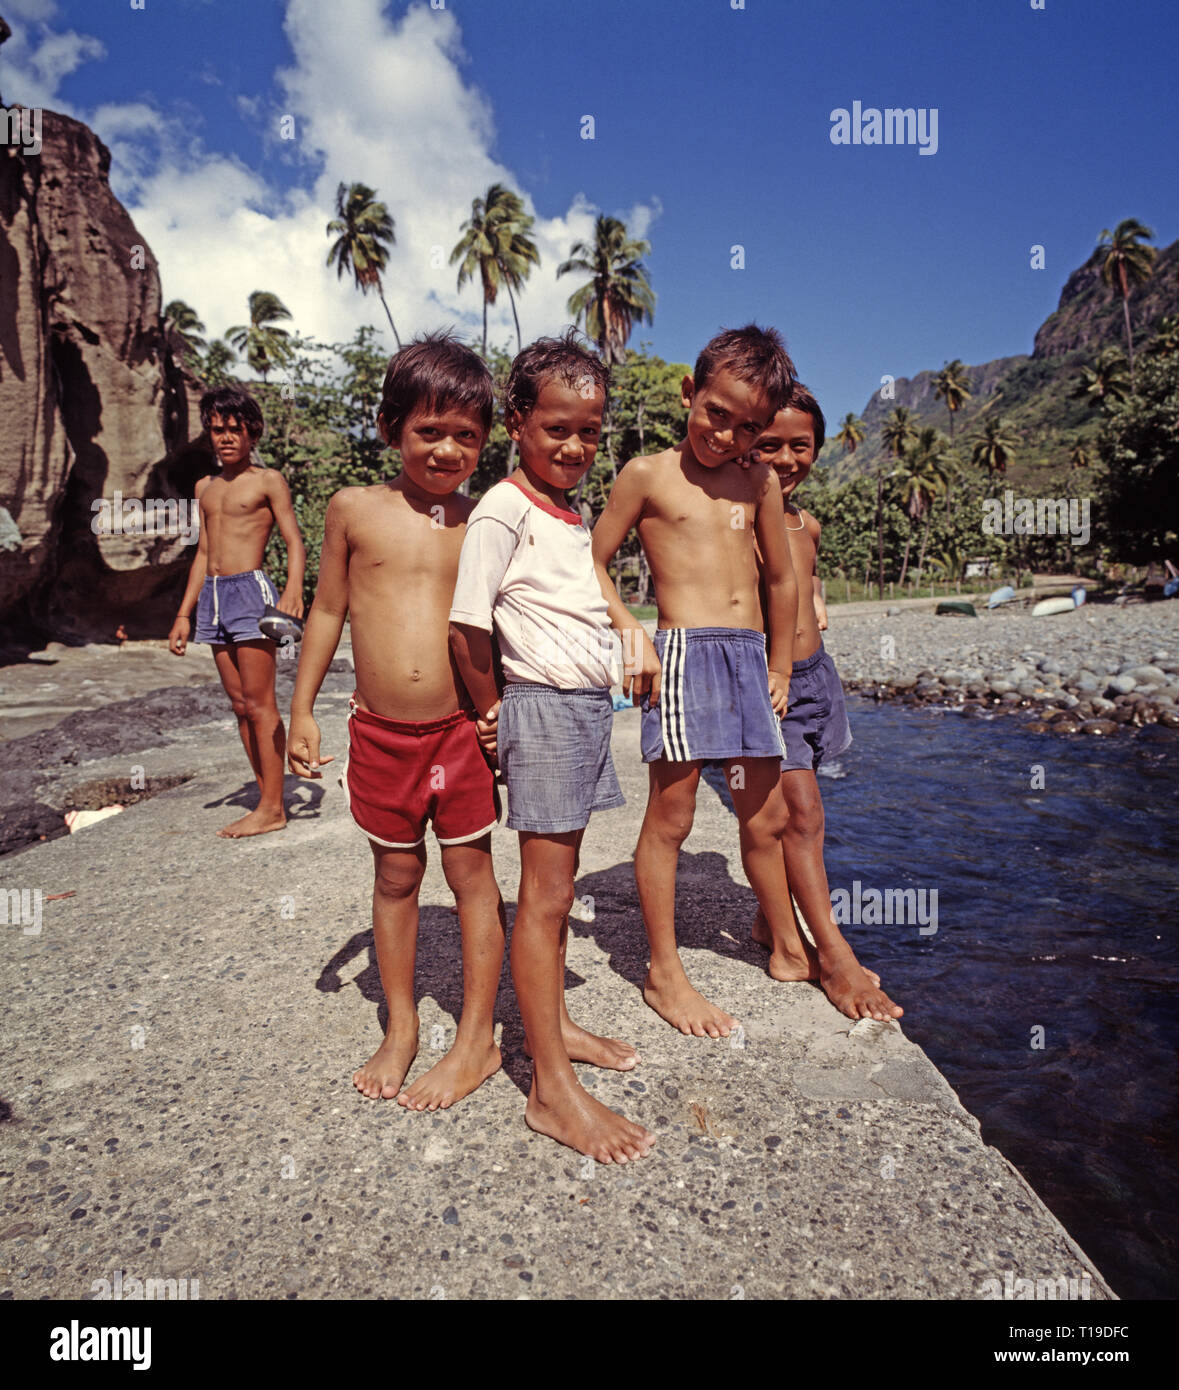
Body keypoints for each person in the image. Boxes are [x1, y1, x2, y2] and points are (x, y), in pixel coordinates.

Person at [449, 331, 655, 1164]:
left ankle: (556, 1028)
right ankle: (548, 1088)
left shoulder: (565, 512)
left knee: (560, 886)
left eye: (589, 432)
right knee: (543, 895)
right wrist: (494, 710)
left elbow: (583, 592)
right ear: (518, 423)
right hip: (538, 708)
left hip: (580, 710)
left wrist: (624, 627)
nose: (574, 446)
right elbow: (469, 624)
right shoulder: (501, 507)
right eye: (556, 428)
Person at [287, 333, 507, 1110]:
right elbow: (326, 610)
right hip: (381, 733)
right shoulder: (354, 509)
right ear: (389, 428)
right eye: (427, 431)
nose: (446, 450)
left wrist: (499, 712)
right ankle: (403, 1024)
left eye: (465, 436)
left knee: (471, 873)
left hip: (457, 731)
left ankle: (475, 1032)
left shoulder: (484, 519)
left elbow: (500, 626)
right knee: (395, 875)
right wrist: (302, 709)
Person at [592, 324, 803, 1039]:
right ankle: (662, 970)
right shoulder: (647, 475)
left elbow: (780, 575)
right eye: (716, 413)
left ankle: (781, 937)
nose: (726, 436)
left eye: (748, 427)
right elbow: (590, 560)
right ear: (690, 392)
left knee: (765, 816)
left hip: (747, 660)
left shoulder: (760, 480)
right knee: (673, 818)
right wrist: (628, 625)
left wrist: (778, 664)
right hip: (683, 655)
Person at [748, 388, 902, 1019]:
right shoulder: (740, 518)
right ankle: (831, 955)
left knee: (802, 809)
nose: (786, 459)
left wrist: (813, 598)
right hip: (769, 682)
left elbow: (800, 574)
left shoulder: (806, 523)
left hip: (815, 679)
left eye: (800, 445)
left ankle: (771, 921)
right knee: (800, 812)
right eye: (770, 445)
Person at [169, 385, 305, 839]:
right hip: (212, 594)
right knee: (240, 706)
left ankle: (273, 807)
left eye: (234, 429)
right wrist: (184, 614)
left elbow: (293, 540)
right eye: (216, 430)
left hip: (250, 591)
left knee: (261, 703)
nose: (225, 438)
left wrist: (292, 592)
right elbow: (204, 552)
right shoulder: (204, 487)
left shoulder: (268, 481)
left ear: (252, 432)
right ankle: (269, 797)